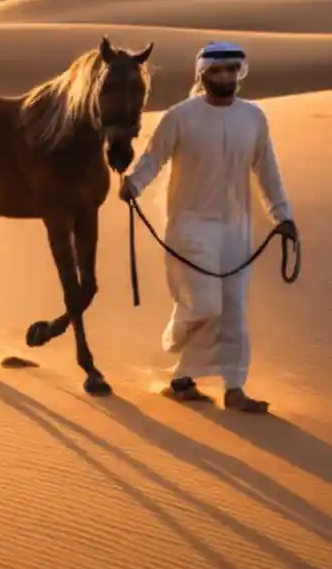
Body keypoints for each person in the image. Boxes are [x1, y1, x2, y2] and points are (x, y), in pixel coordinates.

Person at [119, 41, 297, 412]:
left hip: (236, 227)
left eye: (232, 70)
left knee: (232, 308)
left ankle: (232, 388)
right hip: (190, 224)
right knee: (204, 304)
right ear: (203, 74)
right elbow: (154, 157)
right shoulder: (180, 116)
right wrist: (134, 183)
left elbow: (267, 170)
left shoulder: (253, 118)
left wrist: (283, 215)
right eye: (218, 71)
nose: (226, 76)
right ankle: (175, 340)